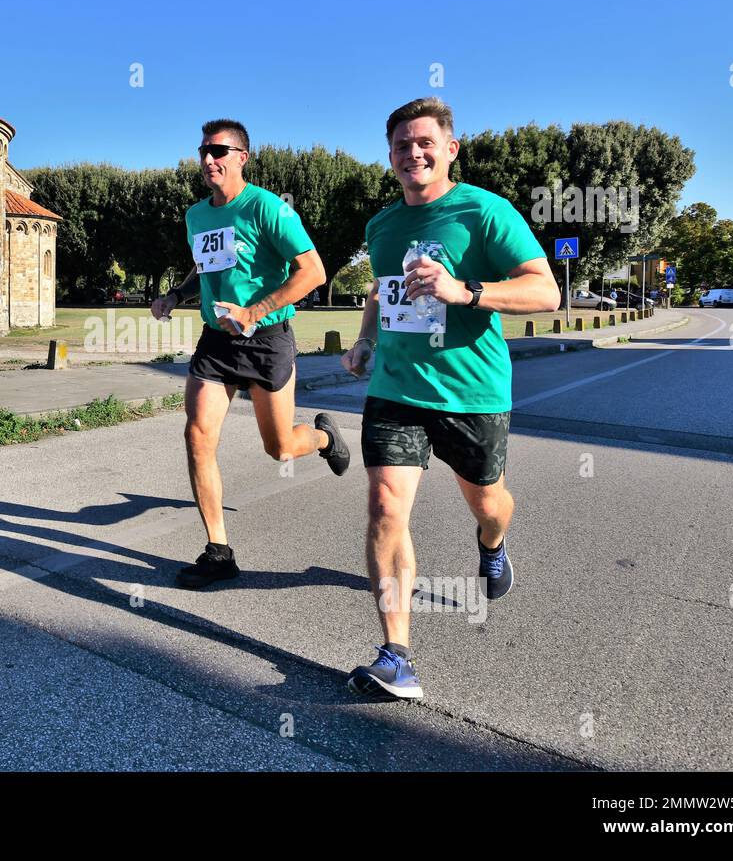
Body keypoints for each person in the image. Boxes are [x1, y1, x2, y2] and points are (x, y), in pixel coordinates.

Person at [341, 98, 560, 699]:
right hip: (396, 389)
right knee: (386, 506)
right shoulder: (382, 225)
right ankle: (396, 655)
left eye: (425, 142)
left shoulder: (485, 211)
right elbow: (381, 291)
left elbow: (546, 293)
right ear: (390, 157)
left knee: (488, 504)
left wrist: (466, 291)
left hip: (471, 392)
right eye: (402, 145)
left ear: (450, 149)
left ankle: (492, 543)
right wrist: (364, 343)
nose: (414, 152)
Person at [151, 118, 350, 589]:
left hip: (266, 337)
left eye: (219, 151)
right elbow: (205, 267)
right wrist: (175, 296)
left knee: (279, 447)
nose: (208, 160)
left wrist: (254, 310)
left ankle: (324, 438)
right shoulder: (196, 214)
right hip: (217, 342)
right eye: (202, 151)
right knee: (198, 435)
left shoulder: (269, 210)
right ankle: (219, 552)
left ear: (242, 157)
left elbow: (313, 272)